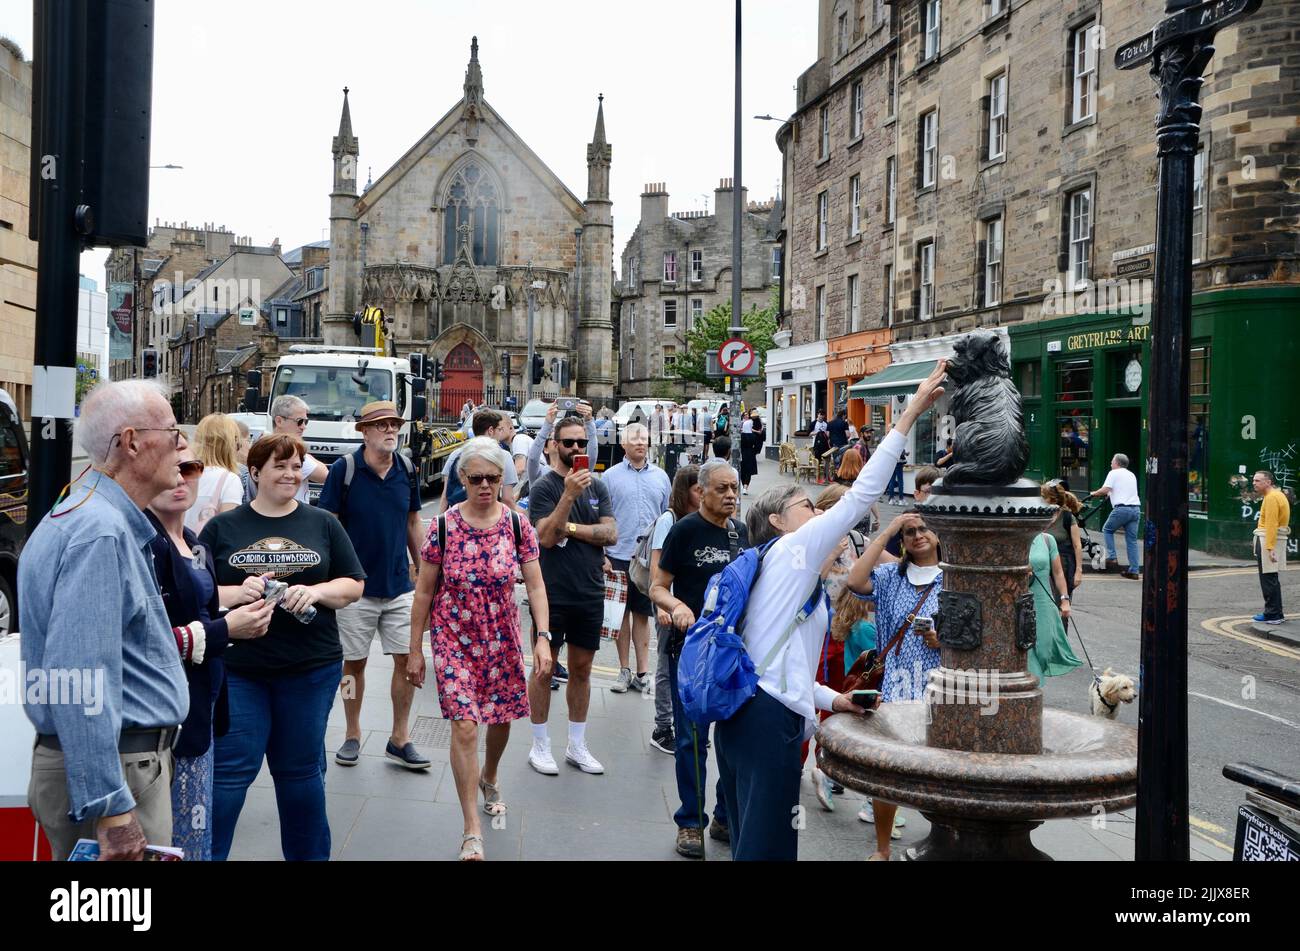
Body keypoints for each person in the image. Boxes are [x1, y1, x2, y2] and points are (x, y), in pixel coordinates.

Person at [710, 362, 945, 861]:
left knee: (758, 844)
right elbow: (861, 495)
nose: (818, 513)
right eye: (806, 506)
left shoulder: (792, 579)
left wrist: (835, 701)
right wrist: (910, 414)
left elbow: (781, 664)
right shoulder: (793, 551)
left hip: (749, 715)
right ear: (778, 521)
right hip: (765, 721)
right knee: (767, 850)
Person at [19, 380, 190, 861]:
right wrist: (112, 809)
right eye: (173, 431)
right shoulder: (100, 532)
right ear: (131, 441)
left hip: (115, 764)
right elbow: (79, 677)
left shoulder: (89, 516)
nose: (182, 445)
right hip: (117, 769)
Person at [201, 434, 366, 861]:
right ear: (255, 473)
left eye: (297, 466)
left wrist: (316, 592)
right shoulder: (223, 527)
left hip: (309, 668)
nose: (291, 474)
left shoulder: (322, 523)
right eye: (280, 466)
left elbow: (353, 584)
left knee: (301, 775)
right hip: (240, 669)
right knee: (230, 775)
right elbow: (198, 592)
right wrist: (236, 592)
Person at [407, 438, 551, 860]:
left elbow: (537, 585)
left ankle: (490, 775)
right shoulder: (444, 526)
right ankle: (471, 827)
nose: (485, 485)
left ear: (503, 480)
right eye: (476, 478)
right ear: (462, 480)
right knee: (466, 725)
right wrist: (416, 649)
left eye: (493, 477)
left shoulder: (517, 525)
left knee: (501, 719)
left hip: (502, 635)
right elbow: (423, 593)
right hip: (453, 635)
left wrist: (543, 637)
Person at [147, 447, 274, 860]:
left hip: (204, 704)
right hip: (164, 719)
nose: (180, 479)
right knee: (174, 835)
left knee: (195, 835)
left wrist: (241, 598)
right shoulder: (143, 544)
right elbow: (147, 641)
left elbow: (198, 606)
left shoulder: (193, 542)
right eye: (171, 469)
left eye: (190, 468)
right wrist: (227, 628)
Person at [318, 401, 430, 771]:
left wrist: (422, 568)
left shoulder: (407, 469)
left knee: (406, 661)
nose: (390, 431)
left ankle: (400, 738)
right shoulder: (344, 471)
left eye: (394, 424)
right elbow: (329, 527)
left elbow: (414, 521)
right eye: (381, 425)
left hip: (399, 586)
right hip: (355, 589)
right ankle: (352, 733)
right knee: (353, 664)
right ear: (364, 432)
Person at [650, 459, 744, 858]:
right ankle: (691, 821)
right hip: (689, 651)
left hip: (731, 653)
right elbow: (657, 586)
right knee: (691, 740)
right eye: (721, 489)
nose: (730, 496)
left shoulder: (740, 534)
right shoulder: (684, 531)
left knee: (733, 738)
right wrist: (677, 606)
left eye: (734, 489)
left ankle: (724, 814)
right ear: (701, 492)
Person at [846, 506, 945, 861]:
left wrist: (941, 638)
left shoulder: (953, 578)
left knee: (938, 771)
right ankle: (883, 848)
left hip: (937, 685)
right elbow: (855, 581)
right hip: (896, 685)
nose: (917, 535)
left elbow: (972, 632)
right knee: (887, 769)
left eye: (923, 529)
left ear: (937, 535)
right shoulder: (890, 576)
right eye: (909, 532)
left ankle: (942, 841)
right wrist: (887, 530)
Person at [526, 415, 618, 775]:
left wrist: (573, 528)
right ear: (554, 444)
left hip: (590, 591)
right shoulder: (545, 488)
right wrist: (568, 496)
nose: (577, 449)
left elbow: (611, 534)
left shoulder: (598, 487)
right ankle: (540, 744)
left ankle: (576, 746)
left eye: (581, 443)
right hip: (551, 594)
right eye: (569, 443)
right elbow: (546, 537)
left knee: (582, 670)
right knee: (544, 669)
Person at [602, 422, 671, 694]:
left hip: (647, 561)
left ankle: (643, 672)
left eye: (644, 438)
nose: (640, 442)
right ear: (623, 444)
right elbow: (601, 517)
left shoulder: (661, 477)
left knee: (643, 615)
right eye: (634, 439)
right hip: (618, 555)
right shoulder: (609, 477)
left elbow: (667, 517)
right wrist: (603, 554)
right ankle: (624, 670)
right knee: (621, 617)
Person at [648, 464, 701, 755]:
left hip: (690, 608)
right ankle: (662, 727)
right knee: (667, 667)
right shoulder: (669, 520)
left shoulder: (699, 519)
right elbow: (657, 564)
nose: (702, 494)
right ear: (685, 491)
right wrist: (662, 605)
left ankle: (686, 725)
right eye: (697, 489)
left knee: (689, 667)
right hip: (670, 605)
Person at [248, 395, 329, 503]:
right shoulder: (288, 452)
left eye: (306, 422)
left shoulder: (262, 447)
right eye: (300, 421)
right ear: (279, 421)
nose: (303, 426)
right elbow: (326, 475)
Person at [1027, 528, 1082, 680]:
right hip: (1018, 600)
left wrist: (1065, 600)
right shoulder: (1012, 538)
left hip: (1042, 601)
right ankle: (1030, 691)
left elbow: (1058, 573)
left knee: (1044, 650)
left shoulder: (1047, 539)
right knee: (1026, 653)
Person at [440, 409, 519, 512]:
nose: (501, 433)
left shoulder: (457, 454)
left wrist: (441, 522)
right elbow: (507, 499)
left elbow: (445, 496)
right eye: (499, 429)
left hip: (460, 517)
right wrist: (516, 523)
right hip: (489, 517)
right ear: (491, 430)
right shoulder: (503, 455)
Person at [187, 413, 245, 534]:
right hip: (208, 550)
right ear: (230, 445)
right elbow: (229, 530)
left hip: (181, 547)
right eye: (237, 445)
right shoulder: (230, 480)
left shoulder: (184, 473)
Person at [1088, 453, 1141, 579]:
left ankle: (1112, 557)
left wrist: (1094, 493)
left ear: (1117, 463)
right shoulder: (1131, 474)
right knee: (1132, 541)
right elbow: (1121, 489)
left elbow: (1105, 489)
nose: (1111, 464)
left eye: (1112, 461)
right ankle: (1134, 570)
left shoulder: (1114, 473)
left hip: (1122, 509)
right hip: (1135, 510)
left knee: (1107, 529)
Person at [1252, 469, 1291, 624]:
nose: (1254, 483)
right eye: (1254, 480)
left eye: (1258, 480)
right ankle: (1275, 613)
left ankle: (1273, 614)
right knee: (1271, 578)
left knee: (1268, 579)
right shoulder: (1276, 495)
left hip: (1268, 541)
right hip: (1270, 540)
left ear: (1268, 482)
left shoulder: (1271, 498)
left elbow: (1272, 524)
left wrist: (1269, 548)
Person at [884, 465, 940, 557]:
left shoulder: (948, 522)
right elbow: (889, 554)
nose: (935, 497)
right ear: (917, 494)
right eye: (929, 492)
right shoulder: (906, 521)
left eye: (940, 492)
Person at [1041, 480, 1085, 598]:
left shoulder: (1067, 517)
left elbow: (1077, 545)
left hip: (1063, 566)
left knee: (1061, 602)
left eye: (1042, 497)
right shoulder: (1039, 516)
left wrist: (1078, 571)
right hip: (1042, 566)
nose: (1039, 500)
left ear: (1052, 499)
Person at [740, 409, 764, 495]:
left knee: (743, 471)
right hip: (750, 455)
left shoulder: (741, 436)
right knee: (748, 472)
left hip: (742, 455)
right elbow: (758, 444)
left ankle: (743, 486)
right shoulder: (753, 436)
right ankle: (745, 487)